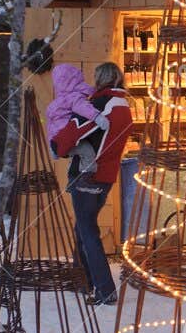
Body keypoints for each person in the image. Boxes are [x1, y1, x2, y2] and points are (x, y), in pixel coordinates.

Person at [46, 62, 133, 305]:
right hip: (105, 176)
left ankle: (105, 290)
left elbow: (75, 130)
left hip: (86, 175)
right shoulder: (125, 105)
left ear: (101, 78)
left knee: (88, 232)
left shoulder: (102, 103)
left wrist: (56, 146)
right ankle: (82, 280)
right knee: (83, 229)